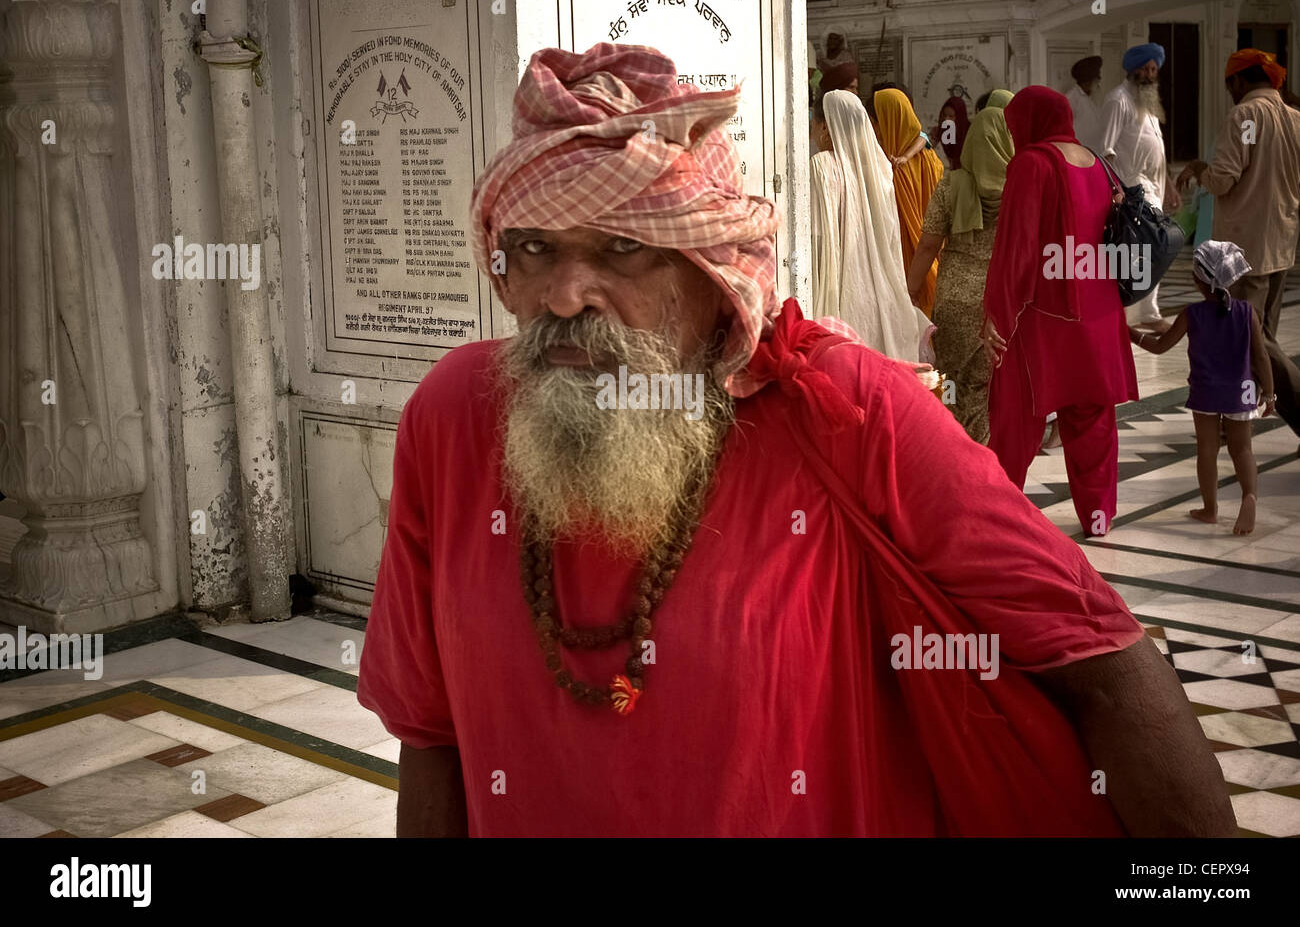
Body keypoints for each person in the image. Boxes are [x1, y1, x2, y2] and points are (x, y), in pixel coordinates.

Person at [357, 43, 1234, 838]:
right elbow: (431, 737)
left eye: (623, 250)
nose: (561, 295)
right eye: (536, 249)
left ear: (714, 270)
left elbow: (1106, 665)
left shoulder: (843, 411)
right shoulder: (455, 418)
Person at [982, 86, 1139, 537]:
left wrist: (998, 314)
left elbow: (1019, 249)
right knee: (1091, 417)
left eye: (1015, 126)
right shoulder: (1098, 164)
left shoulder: (1031, 164)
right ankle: (1097, 515)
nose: (1013, 136)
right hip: (1101, 315)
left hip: (1044, 318)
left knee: (1016, 417)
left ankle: (1000, 509)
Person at [1176, 48, 1300, 444]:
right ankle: (1237, 420)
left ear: (1238, 81)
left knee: (1254, 339)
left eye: (1229, 84)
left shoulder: (1244, 116)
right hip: (1281, 243)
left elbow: (1224, 180)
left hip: (1247, 251)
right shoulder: (1295, 119)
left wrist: (1199, 170)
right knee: (1258, 340)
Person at [1129, 241, 1275, 535]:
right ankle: (1249, 495)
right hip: (1242, 390)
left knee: (1207, 450)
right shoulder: (1248, 313)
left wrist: (1127, 333)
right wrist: (1269, 395)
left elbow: (1159, 347)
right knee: (1243, 449)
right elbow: (1260, 358)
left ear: (1198, 280)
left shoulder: (1192, 314)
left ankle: (1210, 509)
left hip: (1207, 390)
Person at [907, 102, 1014, 443]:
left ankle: (949, 446)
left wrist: (909, 289)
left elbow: (927, 246)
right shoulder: (1017, 189)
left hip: (953, 299)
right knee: (983, 386)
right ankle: (978, 454)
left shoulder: (951, 185)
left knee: (949, 379)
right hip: (995, 304)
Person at [809, 90, 932, 360]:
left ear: (826, 127)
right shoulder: (880, 169)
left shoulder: (821, 166)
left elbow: (817, 239)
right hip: (881, 297)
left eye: (813, 125)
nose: (812, 133)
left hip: (842, 294)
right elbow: (890, 236)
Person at [1100, 43, 1181, 333]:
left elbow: (1158, 148)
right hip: (1131, 188)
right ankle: (1126, 315)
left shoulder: (1149, 102)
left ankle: (1148, 313)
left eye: (1153, 69)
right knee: (1138, 250)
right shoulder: (1118, 99)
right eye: (1144, 68)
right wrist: (1114, 190)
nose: (1149, 74)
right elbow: (1104, 150)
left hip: (1154, 187)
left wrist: (1169, 185)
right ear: (1132, 69)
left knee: (1153, 247)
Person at [874, 87, 945, 317]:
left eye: (875, 122)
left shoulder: (886, 168)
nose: (873, 130)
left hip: (904, 262)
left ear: (888, 120)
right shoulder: (932, 160)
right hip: (932, 257)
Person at [1066, 55, 1104, 151]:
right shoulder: (1071, 99)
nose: (1098, 83)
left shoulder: (1094, 97)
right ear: (1087, 81)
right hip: (1079, 152)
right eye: (1097, 80)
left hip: (1096, 152)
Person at [932, 94, 970, 169]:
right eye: (945, 115)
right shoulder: (942, 130)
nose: (946, 119)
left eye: (951, 116)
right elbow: (928, 147)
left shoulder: (970, 131)